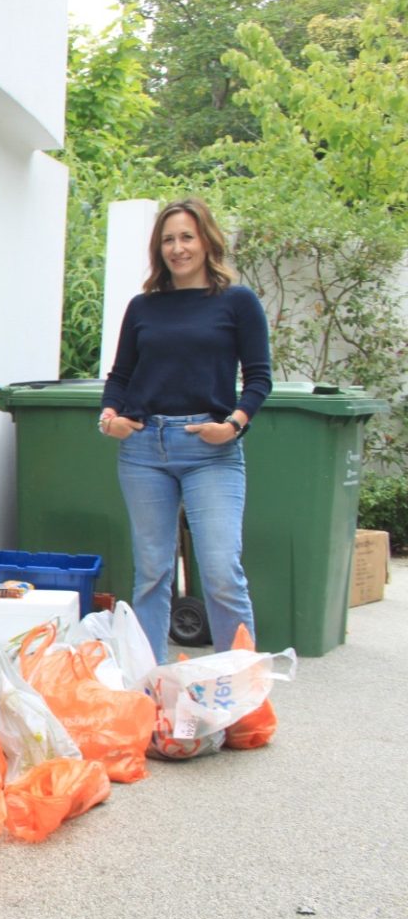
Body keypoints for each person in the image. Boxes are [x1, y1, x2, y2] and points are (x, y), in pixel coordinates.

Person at [99, 197, 272, 665]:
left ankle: (240, 688)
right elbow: (120, 375)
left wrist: (233, 426)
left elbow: (259, 378)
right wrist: (109, 416)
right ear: (160, 248)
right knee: (152, 574)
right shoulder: (142, 307)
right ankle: (150, 685)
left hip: (210, 449)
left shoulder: (237, 302)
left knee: (220, 572)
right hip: (144, 449)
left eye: (187, 237)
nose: (178, 248)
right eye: (169, 239)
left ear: (206, 241)